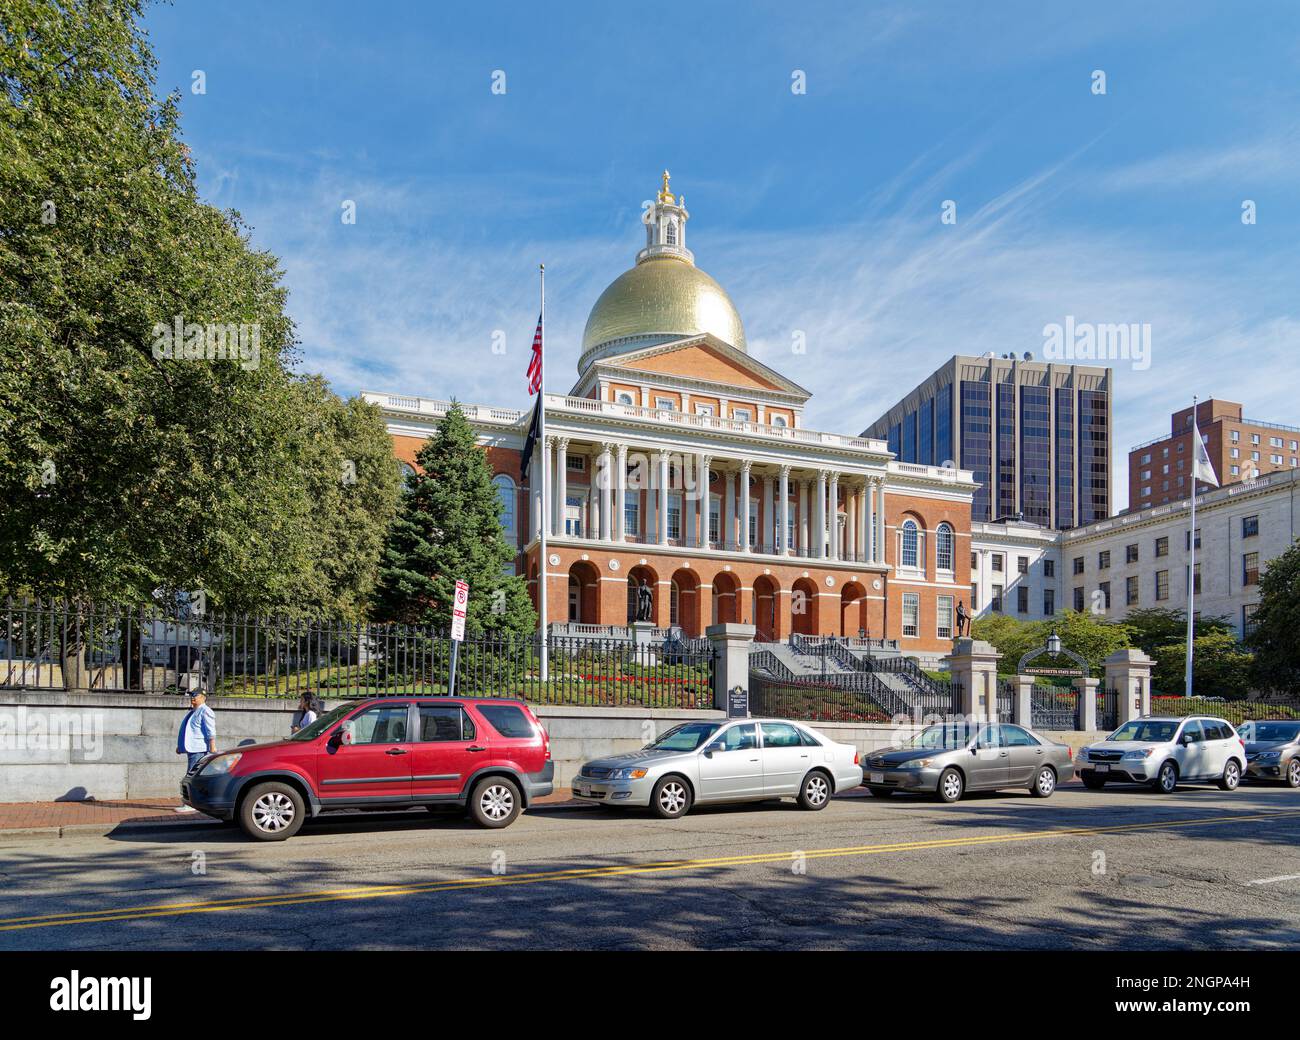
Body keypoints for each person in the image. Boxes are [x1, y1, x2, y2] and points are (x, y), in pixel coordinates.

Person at [175, 691, 216, 813]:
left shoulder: (205, 710)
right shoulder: (194, 711)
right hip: (192, 748)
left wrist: (212, 746)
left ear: (203, 697)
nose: (192, 698)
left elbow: (210, 729)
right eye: (192, 695)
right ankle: (193, 802)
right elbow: (190, 731)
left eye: (195, 695)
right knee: (193, 775)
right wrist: (181, 746)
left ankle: (191, 803)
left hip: (198, 749)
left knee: (191, 776)